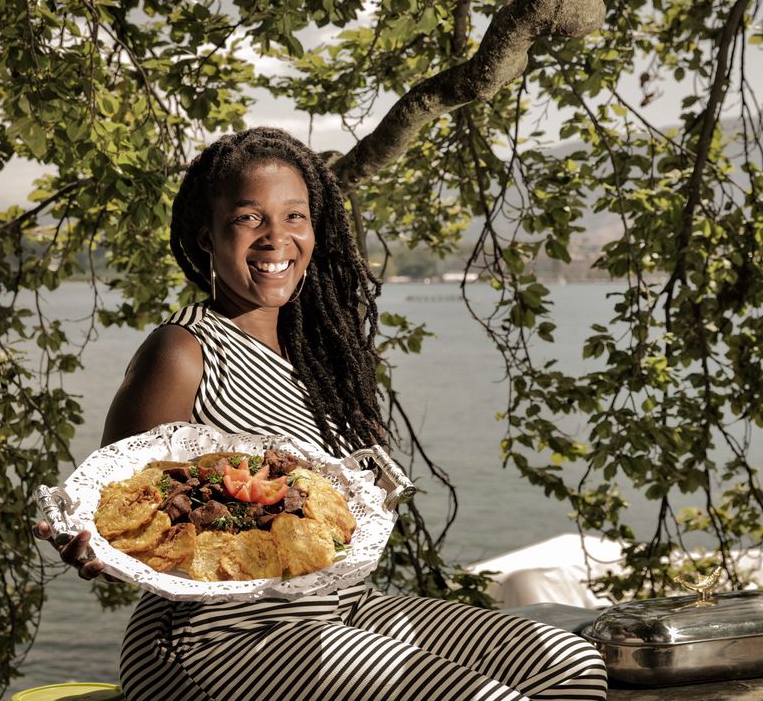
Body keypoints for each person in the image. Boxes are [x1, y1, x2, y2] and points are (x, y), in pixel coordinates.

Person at [35, 127, 608, 701]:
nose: (275, 238)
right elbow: (113, 507)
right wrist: (86, 543)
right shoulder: (183, 351)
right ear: (206, 236)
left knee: (569, 661)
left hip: (343, 609)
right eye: (248, 218)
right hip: (213, 642)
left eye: (294, 217)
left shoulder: (327, 356)